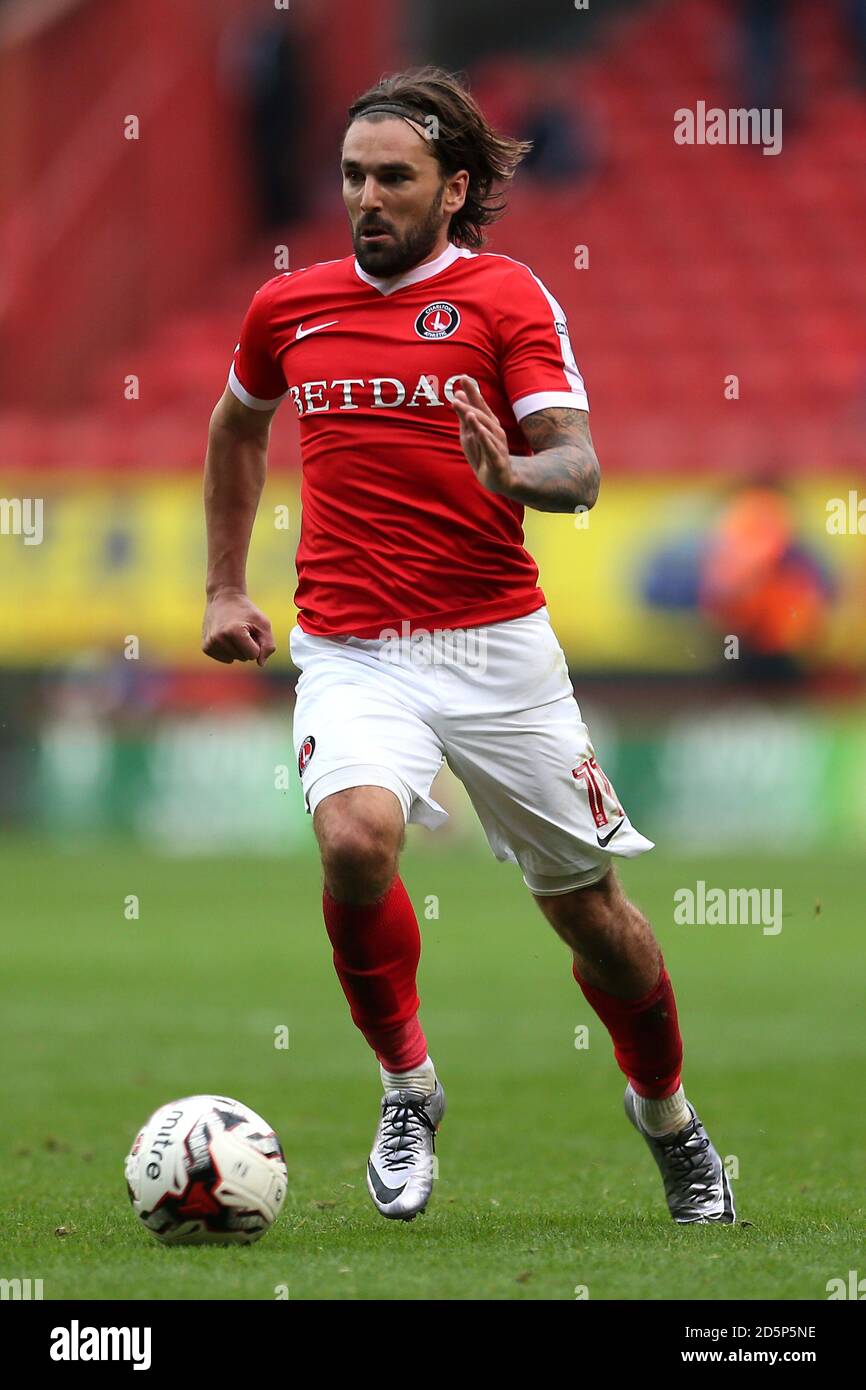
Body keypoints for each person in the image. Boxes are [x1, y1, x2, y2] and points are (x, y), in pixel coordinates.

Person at [201, 67, 734, 1226]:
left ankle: (671, 1124)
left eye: (393, 176)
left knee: (593, 917)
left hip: (498, 651)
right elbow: (237, 425)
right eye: (352, 176)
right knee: (353, 838)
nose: (366, 198)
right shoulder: (288, 307)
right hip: (351, 649)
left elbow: (578, 465)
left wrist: (513, 473)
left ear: (451, 190)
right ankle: (407, 1089)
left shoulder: (504, 298)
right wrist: (221, 585)